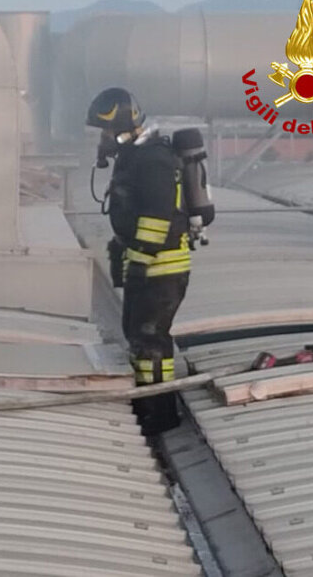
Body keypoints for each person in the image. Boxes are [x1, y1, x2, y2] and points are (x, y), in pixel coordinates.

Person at [88, 87, 190, 435]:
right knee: (138, 336)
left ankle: (161, 413)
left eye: (105, 131)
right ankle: (147, 400)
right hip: (146, 263)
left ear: (122, 128)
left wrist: (142, 260)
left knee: (151, 340)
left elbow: (157, 216)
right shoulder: (134, 157)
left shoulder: (153, 160)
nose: (102, 138)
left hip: (161, 267)